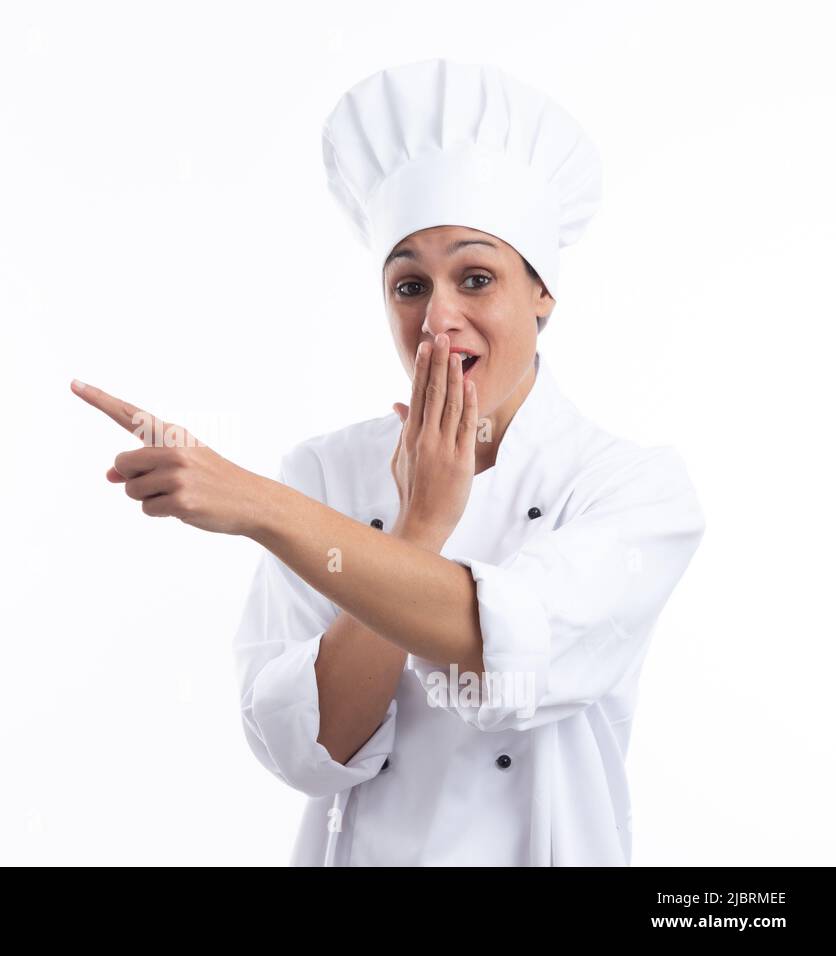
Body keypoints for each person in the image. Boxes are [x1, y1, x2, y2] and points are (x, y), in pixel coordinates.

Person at [71, 58, 706, 866]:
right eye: (409, 286)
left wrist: (262, 508)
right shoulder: (328, 474)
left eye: (476, 278)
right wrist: (417, 526)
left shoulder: (631, 488)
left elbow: (508, 653)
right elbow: (313, 750)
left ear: (543, 293)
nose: (440, 319)